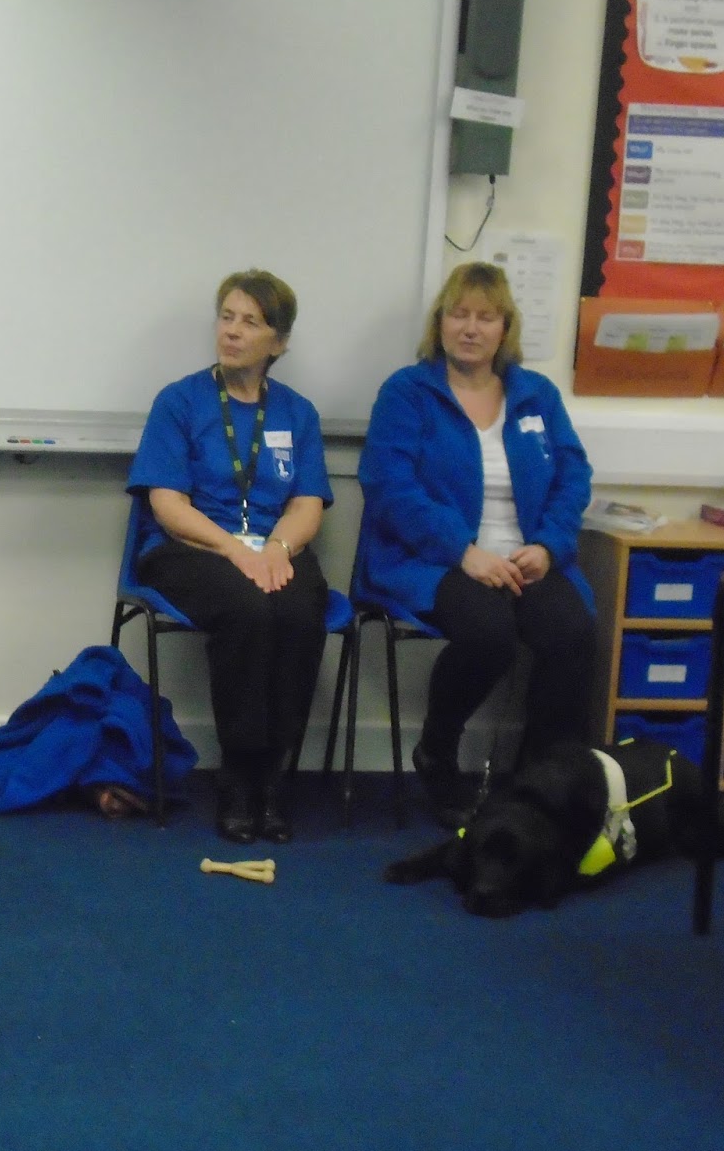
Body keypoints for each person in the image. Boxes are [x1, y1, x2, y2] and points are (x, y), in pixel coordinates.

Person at [357, 261, 596, 827]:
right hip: (433, 559)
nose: (470, 327)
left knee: (572, 632)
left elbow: (573, 476)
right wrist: (462, 550)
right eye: (459, 314)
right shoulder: (407, 392)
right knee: (491, 634)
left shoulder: (537, 395)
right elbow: (389, 488)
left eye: (485, 317)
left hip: (527, 558)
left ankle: (542, 782)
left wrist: (549, 544)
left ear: (504, 326)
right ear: (440, 322)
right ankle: (438, 751)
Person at [126, 269, 333, 843]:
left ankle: (272, 775)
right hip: (189, 548)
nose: (233, 332)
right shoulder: (180, 401)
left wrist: (275, 549)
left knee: (297, 611)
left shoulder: (298, 412)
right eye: (227, 317)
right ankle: (238, 777)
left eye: (250, 321)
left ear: (279, 342)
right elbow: (167, 504)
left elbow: (308, 503)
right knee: (248, 609)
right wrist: (232, 551)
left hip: (273, 548)